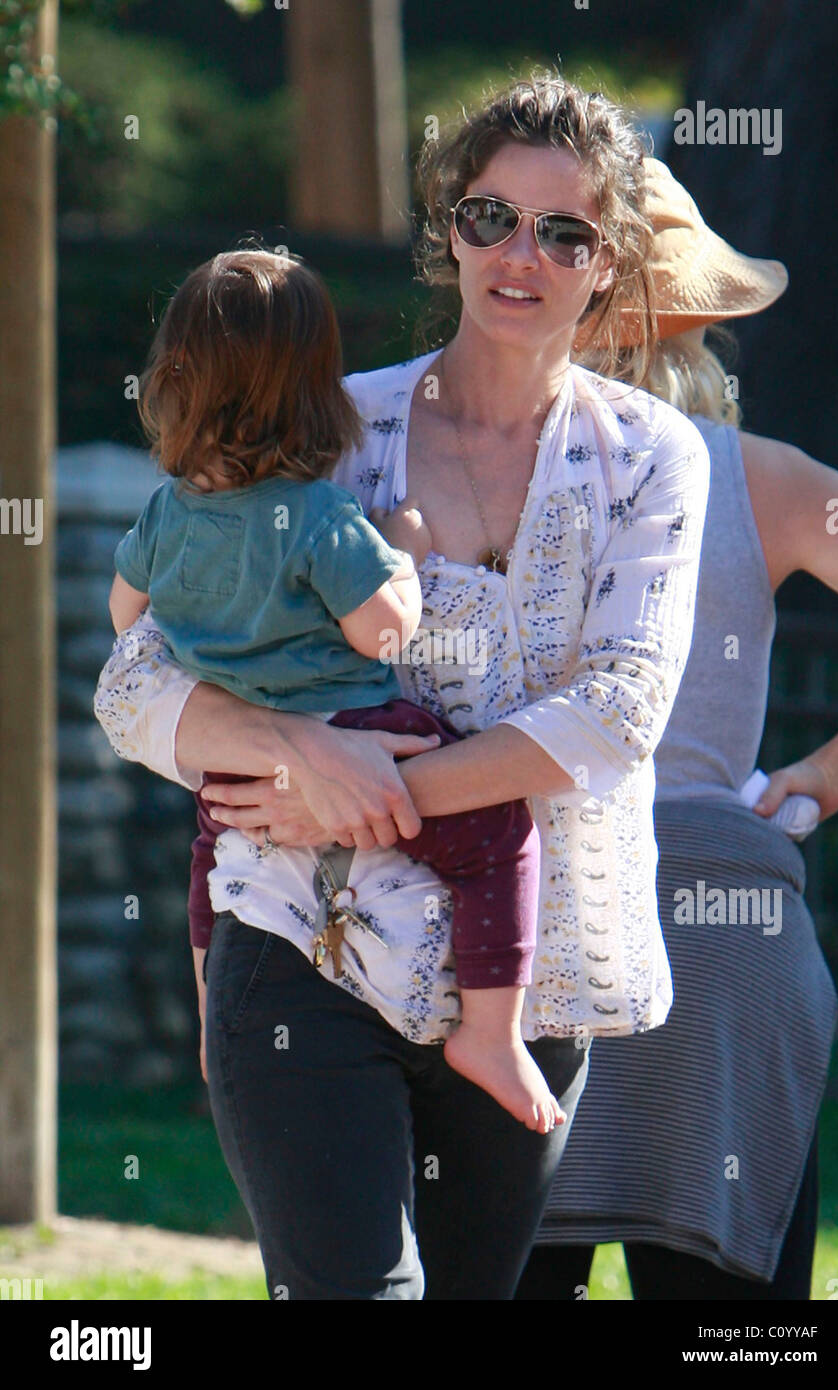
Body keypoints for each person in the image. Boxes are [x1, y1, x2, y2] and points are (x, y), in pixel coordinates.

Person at [93, 79, 709, 1301]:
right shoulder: (329, 425)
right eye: (490, 217)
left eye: (564, 231)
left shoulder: (653, 455)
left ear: (609, 262)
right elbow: (136, 677)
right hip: (299, 939)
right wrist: (295, 750)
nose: (518, 255)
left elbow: (620, 709)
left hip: (533, 981)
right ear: (450, 233)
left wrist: (380, 788)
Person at [515, 158, 838, 1300]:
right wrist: (829, 771)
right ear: (702, 323)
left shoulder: (474, 463)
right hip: (722, 940)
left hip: (522, 931)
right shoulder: (767, 480)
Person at [109, 247, 561, 1132]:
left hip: (234, 768)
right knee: (500, 834)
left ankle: (214, 1027)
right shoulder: (319, 514)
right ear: (314, 390)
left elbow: (128, 615)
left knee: (212, 875)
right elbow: (383, 629)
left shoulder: (164, 511)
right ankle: (491, 1031)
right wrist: (405, 547)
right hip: (355, 724)